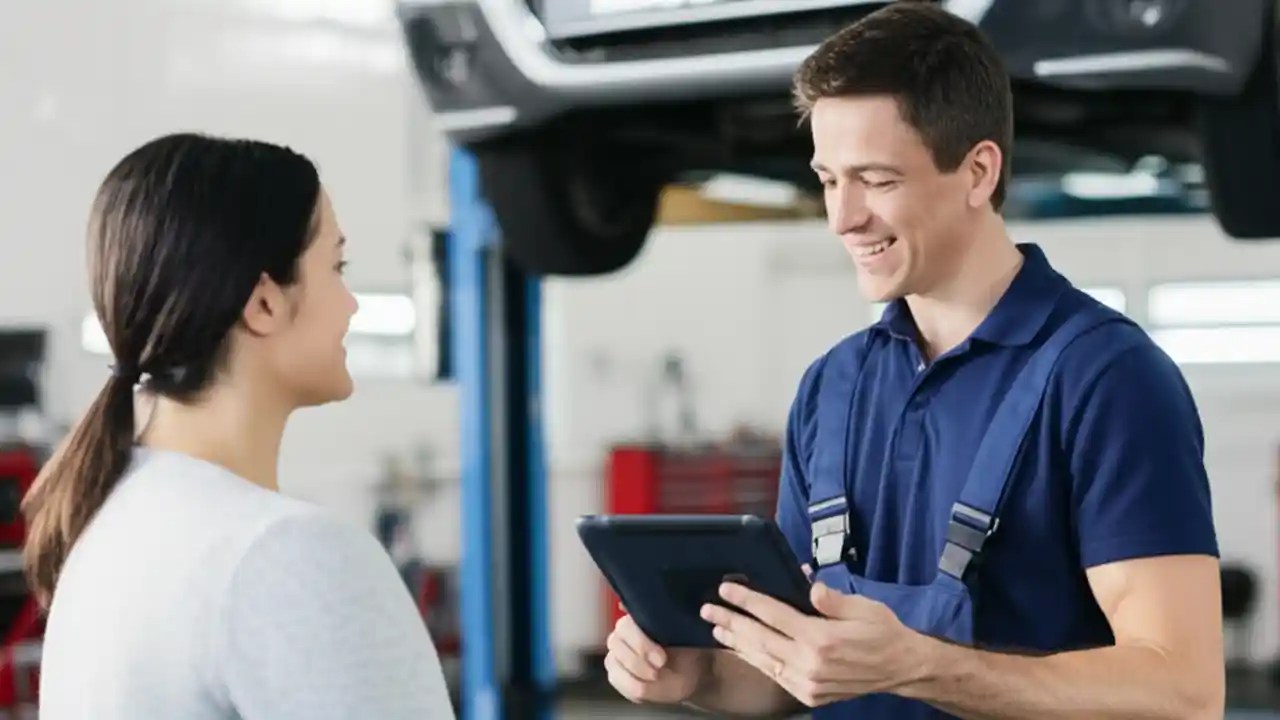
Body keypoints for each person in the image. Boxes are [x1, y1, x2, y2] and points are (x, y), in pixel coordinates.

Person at [603, 4, 1224, 719]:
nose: (842, 217)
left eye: (877, 179)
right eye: (830, 180)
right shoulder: (832, 388)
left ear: (978, 172)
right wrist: (699, 676)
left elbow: (1182, 693)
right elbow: (797, 669)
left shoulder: (1108, 379)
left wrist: (928, 667)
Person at [24, 133, 455, 719]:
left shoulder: (105, 523)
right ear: (264, 304)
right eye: (336, 266)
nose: (351, 304)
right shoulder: (285, 554)